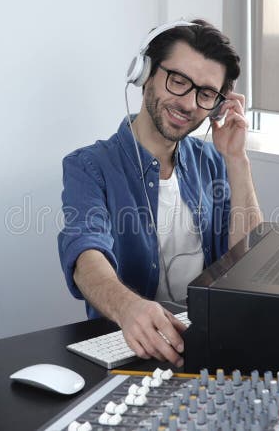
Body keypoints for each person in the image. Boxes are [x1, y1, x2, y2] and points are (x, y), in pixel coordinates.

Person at [57, 19, 262, 367]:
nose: (188, 103)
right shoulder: (89, 166)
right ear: (145, 74)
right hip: (130, 348)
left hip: (209, 343)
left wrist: (237, 160)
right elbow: (85, 256)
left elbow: (251, 263)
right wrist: (128, 307)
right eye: (178, 81)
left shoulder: (213, 161)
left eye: (206, 93)